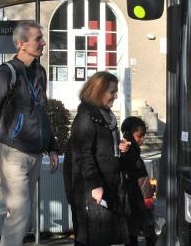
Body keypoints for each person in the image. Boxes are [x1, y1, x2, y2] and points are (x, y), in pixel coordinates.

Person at [0, 20, 59, 246]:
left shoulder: (40, 72)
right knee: (19, 213)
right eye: (38, 39)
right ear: (21, 44)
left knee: (24, 213)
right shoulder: (6, 73)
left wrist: (52, 146)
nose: (43, 43)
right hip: (12, 154)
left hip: (36, 152)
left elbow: (42, 111)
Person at [64, 71, 131, 246]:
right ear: (99, 91)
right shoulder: (86, 118)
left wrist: (118, 148)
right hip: (92, 189)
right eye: (112, 91)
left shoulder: (105, 117)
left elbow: (100, 147)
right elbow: (83, 154)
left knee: (104, 236)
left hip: (108, 184)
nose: (115, 96)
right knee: (92, 237)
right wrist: (94, 185)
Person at [120, 116, 157, 246]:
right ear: (129, 135)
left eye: (143, 136)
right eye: (139, 136)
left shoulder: (133, 151)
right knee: (143, 229)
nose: (142, 139)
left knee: (139, 229)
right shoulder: (127, 152)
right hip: (138, 197)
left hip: (142, 196)